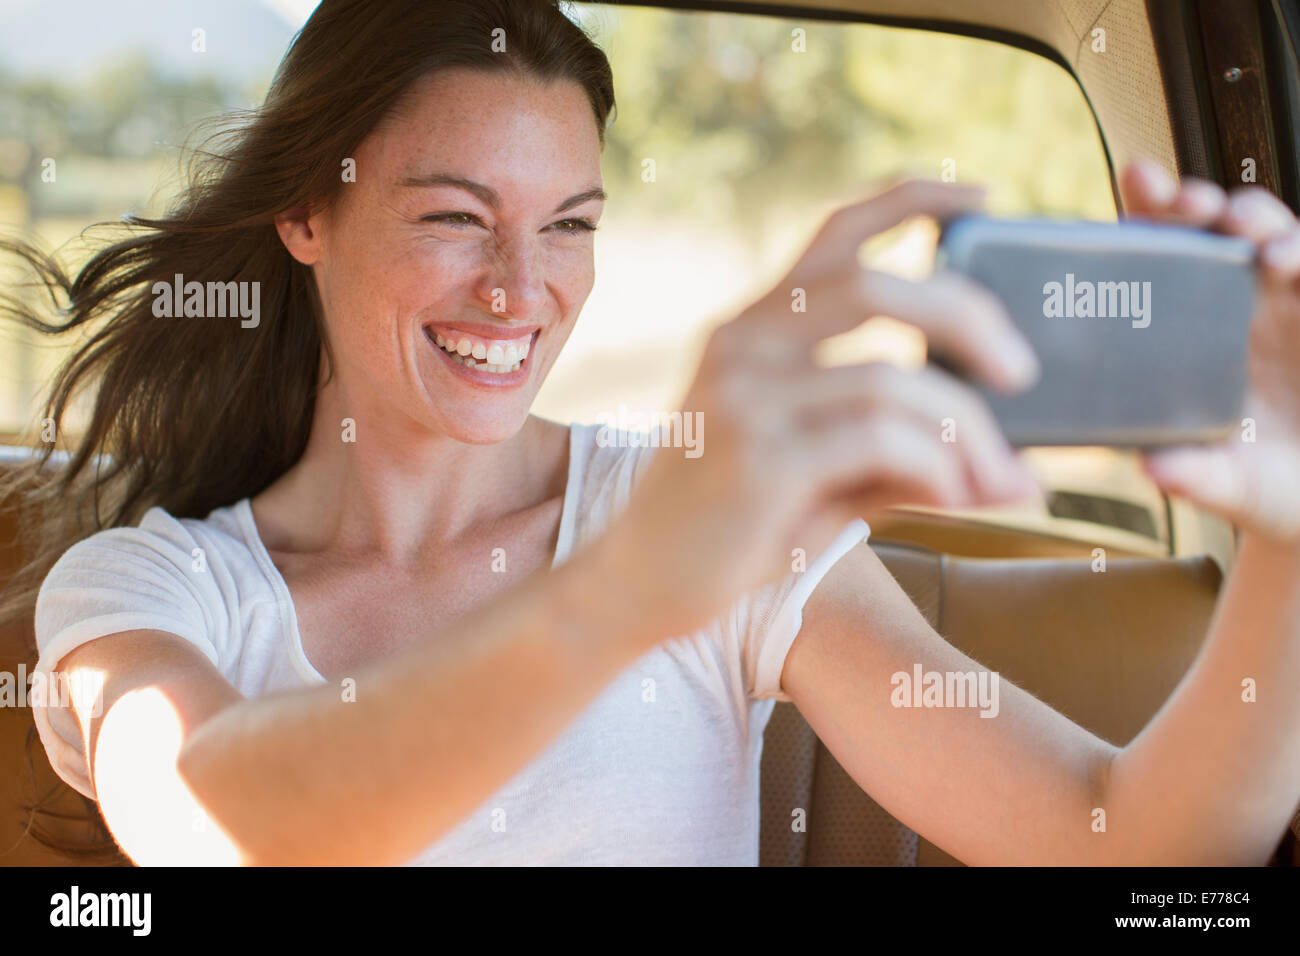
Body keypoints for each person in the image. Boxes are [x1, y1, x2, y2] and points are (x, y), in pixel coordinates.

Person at [9, 0, 1300, 865]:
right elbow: (221, 823)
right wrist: (633, 588)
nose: (523, 289)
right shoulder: (150, 585)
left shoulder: (701, 519)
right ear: (307, 218)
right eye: (455, 218)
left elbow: (1128, 838)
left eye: (569, 223)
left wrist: (1294, 534)